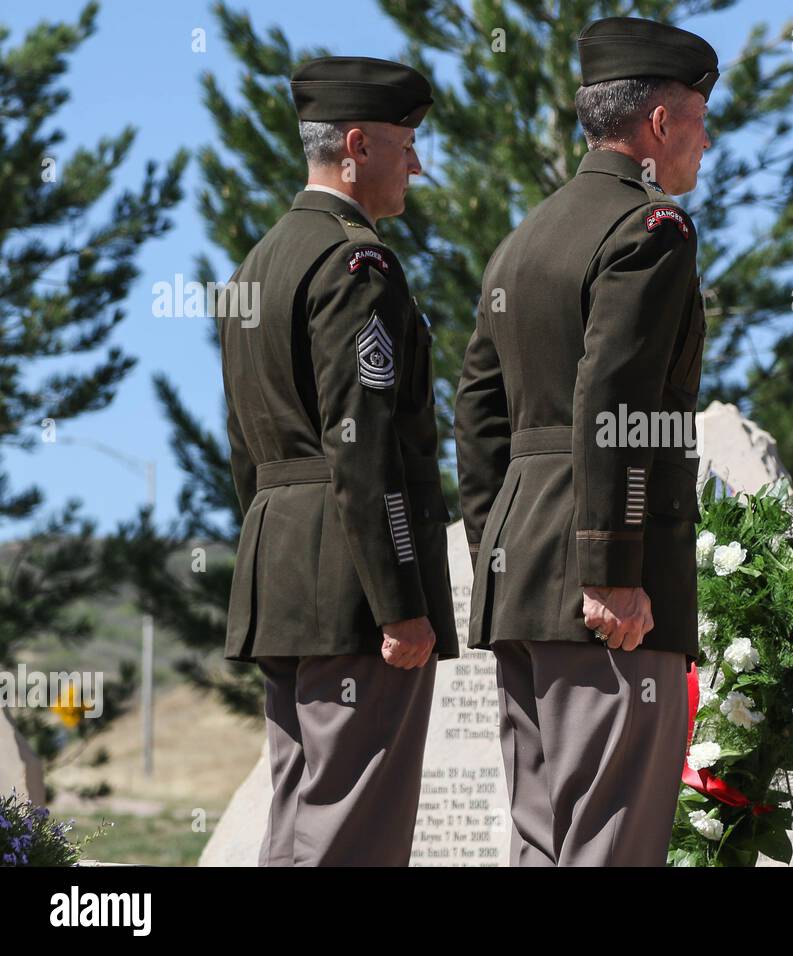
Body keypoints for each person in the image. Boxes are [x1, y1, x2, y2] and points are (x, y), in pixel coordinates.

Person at [454, 16, 716, 866]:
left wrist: (495, 545)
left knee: (542, 838)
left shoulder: (520, 242)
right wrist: (613, 566)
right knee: (611, 838)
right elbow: (617, 403)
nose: (705, 145)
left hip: (523, 578)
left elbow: (477, 410)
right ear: (661, 124)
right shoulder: (650, 230)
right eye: (702, 122)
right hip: (604, 592)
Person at [218, 56, 459, 865]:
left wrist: (271, 557)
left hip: (282, 572)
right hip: (354, 583)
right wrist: (399, 600)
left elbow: (245, 452)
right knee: (354, 826)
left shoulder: (259, 264)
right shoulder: (356, 263)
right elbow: (364, 446)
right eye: (408, 143)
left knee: (299, 818)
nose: (417, 165)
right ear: (356, 145)